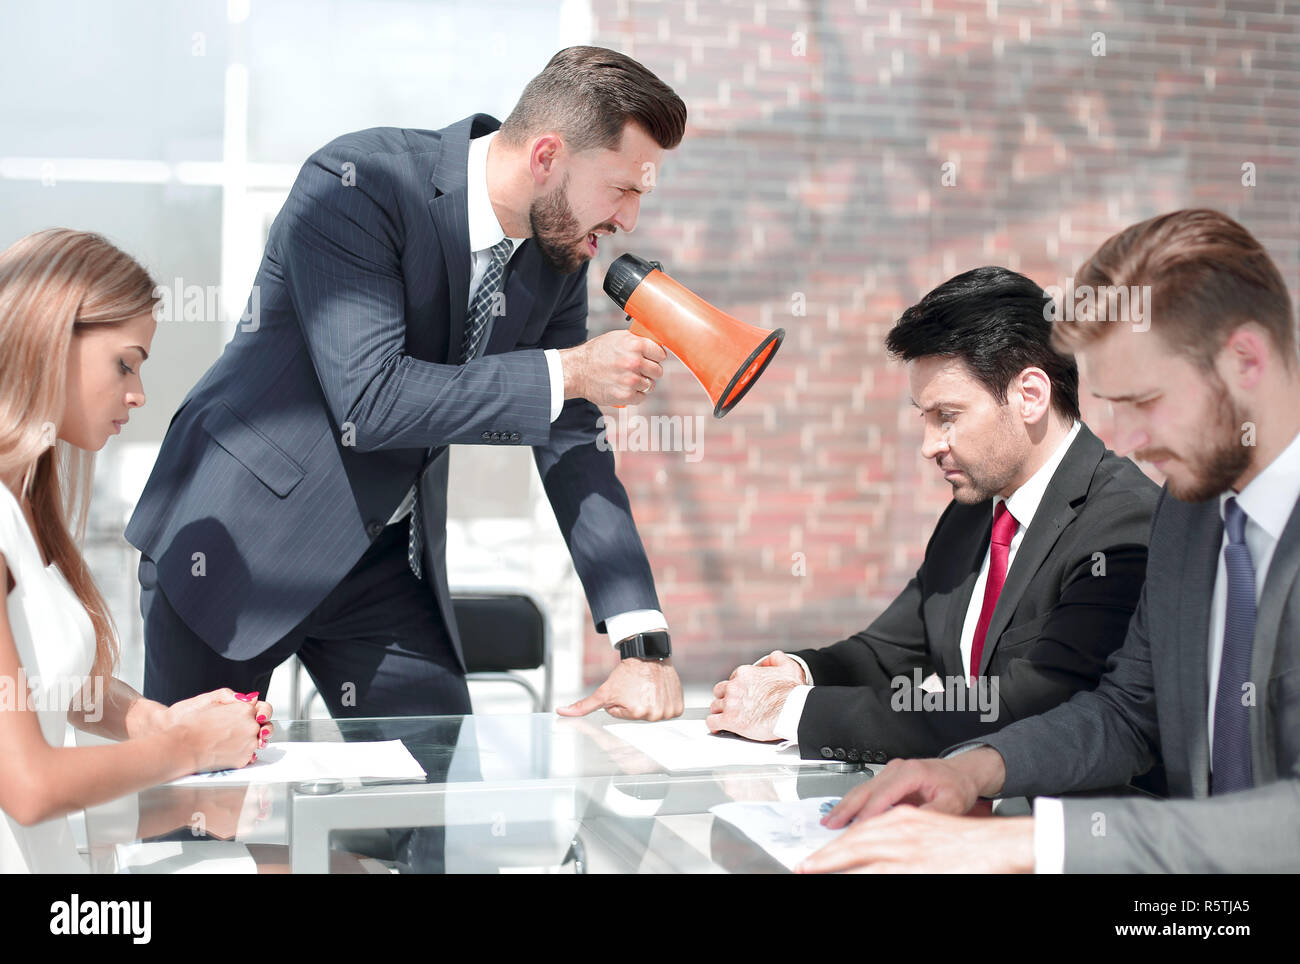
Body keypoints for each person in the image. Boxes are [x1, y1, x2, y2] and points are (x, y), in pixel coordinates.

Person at [126, 46, 688, 725]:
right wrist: (569, 370)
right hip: (236, 541)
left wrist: (641, 641)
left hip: (382, 563)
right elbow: (371, 399)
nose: (629, 220)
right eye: (623, 189)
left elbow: (571, 438)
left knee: (433, 796)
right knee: (198, 811)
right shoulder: (358, 185)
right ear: (547, 158)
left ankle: (360, 838)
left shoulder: (558, 257)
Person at [800, 209, 1300, 873]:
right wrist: (976, 770)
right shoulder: (1189, 516)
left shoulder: (1152, 510)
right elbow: (1127, 712)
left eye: (1145, 400)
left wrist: (1026, 844)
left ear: (1245, 359)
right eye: (1113, 404)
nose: (1125, 441)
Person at [707, 267, 1159, 767]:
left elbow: (1017, 708)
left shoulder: (1122, 527)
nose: (929, 446)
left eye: (947, 416)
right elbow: (890, 650)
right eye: (923, 417)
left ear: (1030, 395)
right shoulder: (975, 510)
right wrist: (799, 671)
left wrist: (793, 711)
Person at [0, 228, 270, 874]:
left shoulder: (25, 512)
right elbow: (29, 789)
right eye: (125, 362)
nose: (139, 394)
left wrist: (151, 721)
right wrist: (188, 747)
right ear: (49, 337)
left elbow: (53, 687)